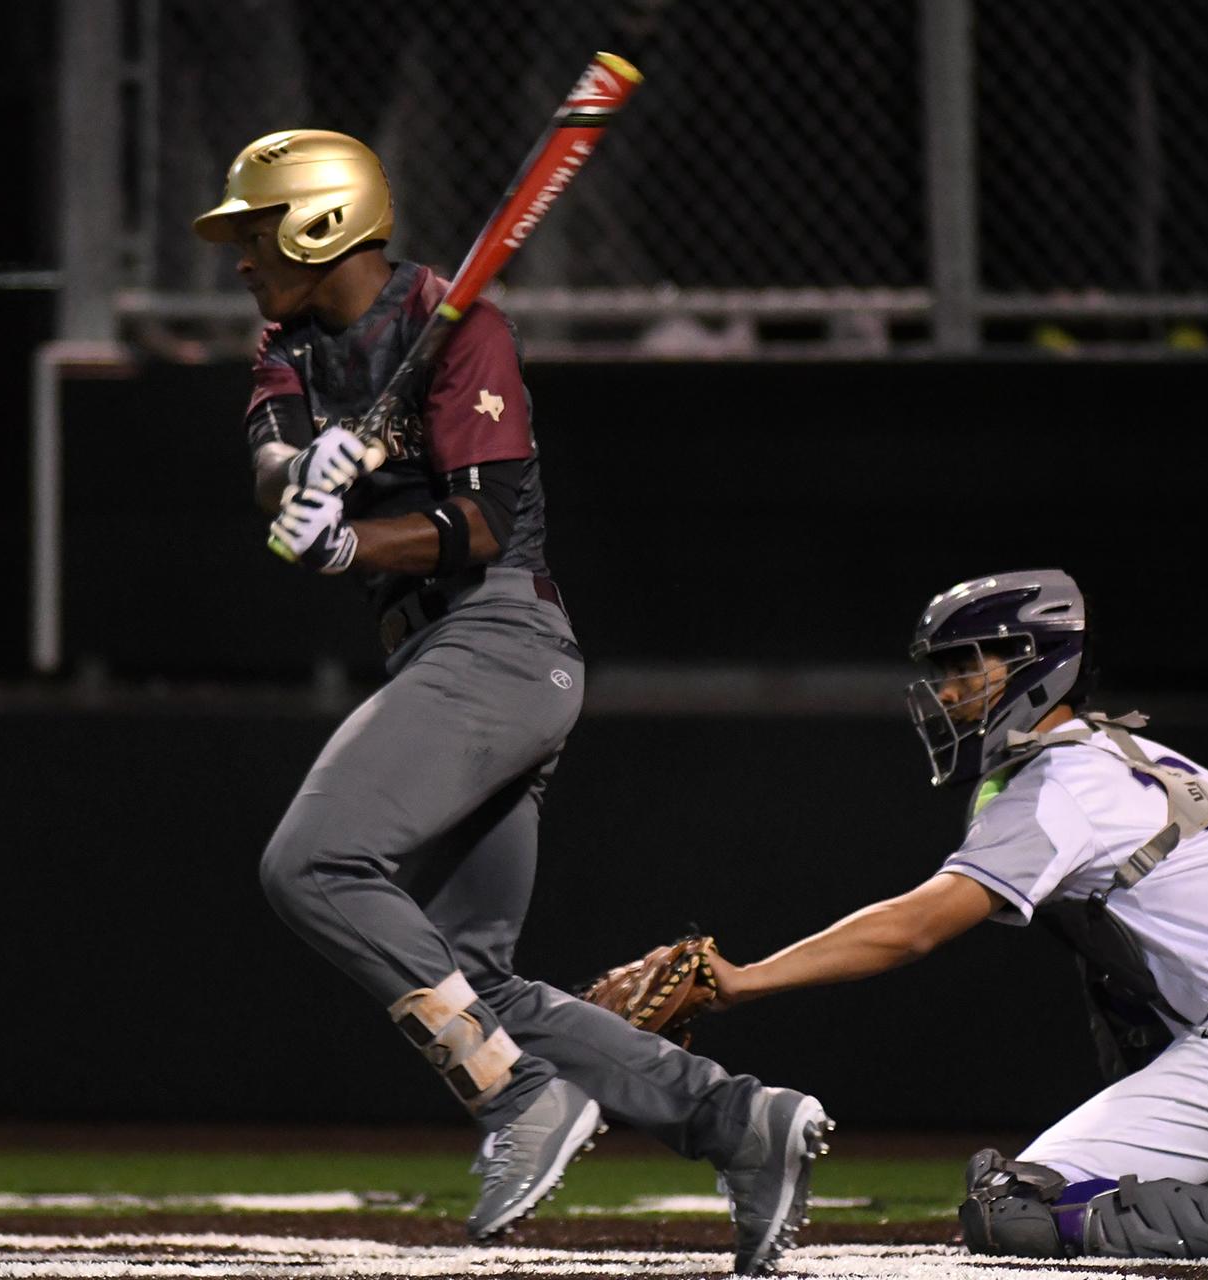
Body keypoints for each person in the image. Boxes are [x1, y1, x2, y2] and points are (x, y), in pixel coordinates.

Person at [191, 128, 829, 1273]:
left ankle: (515, 1095)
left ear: (318, 223)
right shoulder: (287, 345)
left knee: (313, 863)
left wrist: (345, 545)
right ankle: (738, 1120)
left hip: (496, 638)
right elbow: (270, 458)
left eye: (253, 232)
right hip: (436, 661)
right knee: (470, 978)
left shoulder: (462, 327)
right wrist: (308, 477)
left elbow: (479, 524)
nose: (241, 258)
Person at [703, 570, 1208, 1263]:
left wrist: (744, 979)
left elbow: (912, 928)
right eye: (943, 670)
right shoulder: (1155, 759)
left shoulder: (1056, 783)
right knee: (1066, 1188)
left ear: (1038, 663)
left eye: (967, 664)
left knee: (1012, 1207)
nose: (948, 691)